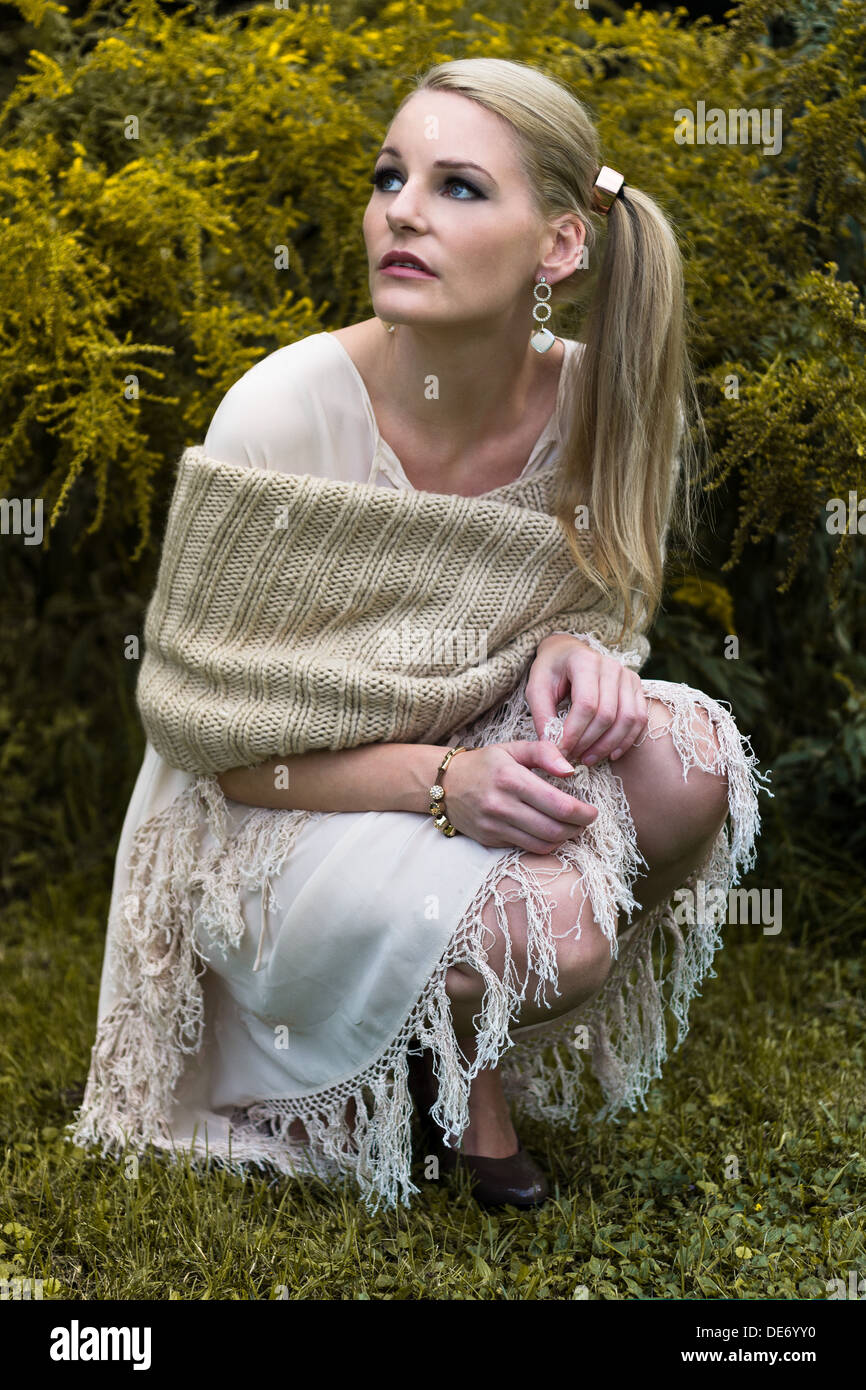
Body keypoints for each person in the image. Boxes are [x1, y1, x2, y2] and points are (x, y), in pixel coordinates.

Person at [71, 57, 769, 1214]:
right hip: (268, 811)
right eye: (391, 176)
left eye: (456, 188)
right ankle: (393, 1061)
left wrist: (576, 655)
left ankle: (444, 1042)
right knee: (559, 929)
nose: (400, 209)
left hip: (471, 760)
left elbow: (597, 607)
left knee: (685, 760)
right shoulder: (281, 411)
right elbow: (206, 735)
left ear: (557, 247)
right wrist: (446, 781)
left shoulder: (600, 403)